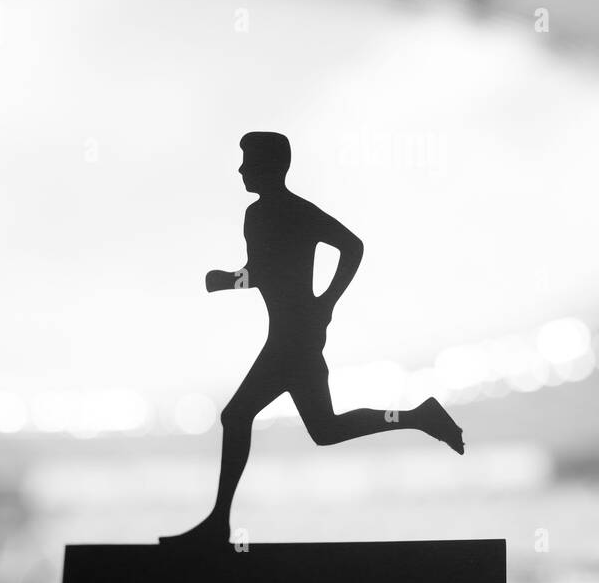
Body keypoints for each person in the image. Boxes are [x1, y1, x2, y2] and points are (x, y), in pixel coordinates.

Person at [161, 132, 464, 547]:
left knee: (236, 416)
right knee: (325, 429)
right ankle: (417, 416)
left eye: (247, 162)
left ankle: (218, 523)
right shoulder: (255, 216)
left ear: (270, 167)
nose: (241, 170)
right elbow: (261, 273)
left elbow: (352, 246)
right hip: (291, 335)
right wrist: (230, 281)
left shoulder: (299, 212)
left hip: (295, 337)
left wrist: (327, 301)